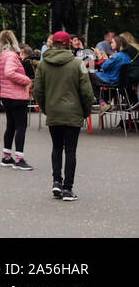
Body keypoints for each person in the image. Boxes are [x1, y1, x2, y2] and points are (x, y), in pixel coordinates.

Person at [33, 31, 95, 201]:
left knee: (56, 147)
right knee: (70, 150)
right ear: (68, 44)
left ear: (53, 43)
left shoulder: (43, 64)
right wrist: (86, 111)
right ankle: (68, 188)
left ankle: (56, 182)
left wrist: (46, 107)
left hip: (53, 111)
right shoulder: (78, 63)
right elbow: (87, 92)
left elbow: (37, 90)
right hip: (73, 112)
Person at [0, 30, 34, 170]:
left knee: (10, 126)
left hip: (6, 95)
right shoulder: (11, 55)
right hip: (17, 95)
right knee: (21, 127)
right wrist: (27, 80)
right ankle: (19, 159)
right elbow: (9, 72)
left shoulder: (2, 56)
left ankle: (6, 156)